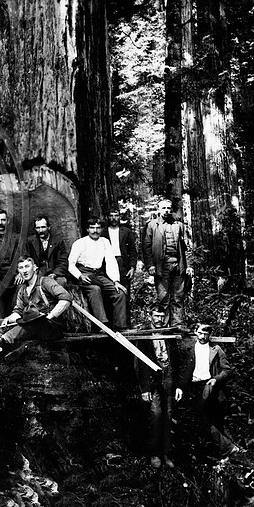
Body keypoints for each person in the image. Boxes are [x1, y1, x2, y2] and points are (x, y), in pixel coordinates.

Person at [0, 256, 72, 348]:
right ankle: (20, 333)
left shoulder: (45, 281)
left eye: (27, 266)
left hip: (51, 327)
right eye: (21, 268)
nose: (24, 271)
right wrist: (8, 319)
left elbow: (66, 298)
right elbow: (18, 311)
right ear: (18, 271)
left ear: (35, 268)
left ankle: (2, 339)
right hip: (32, 326)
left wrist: (50, 316)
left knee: (36, 321)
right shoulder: (22, 290)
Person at [178, 322, 236, 456]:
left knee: (200, 416)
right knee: (201, 419)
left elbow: (227, 370)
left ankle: (228, 447)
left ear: (210, 335)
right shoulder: (189, 349)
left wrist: (216, 379)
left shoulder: (216, 349)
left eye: (206, 334)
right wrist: (180, 387)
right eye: (200, 333)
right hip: (192, 387)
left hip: (208, 385)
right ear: (195, 332)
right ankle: (213, 451)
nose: (203, 336)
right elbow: (183, 370)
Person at [134, 305, 182, 468]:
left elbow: (177, 361)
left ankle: (167, 454)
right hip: (153, 378)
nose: (159, 319)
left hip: (168, 376)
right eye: (156, 316)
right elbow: (140, 363)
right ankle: (154, 454)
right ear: (150, 316)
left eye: (162, 316)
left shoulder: (169, 333)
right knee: (156, 414)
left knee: (169, 415)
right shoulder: (144, 334)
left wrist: (178, 386)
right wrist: (145, 388)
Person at [68, 216, 128, 329]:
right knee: (95, 289)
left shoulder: (105, 242)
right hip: (84, 273)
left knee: (120, 293)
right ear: (87, 229)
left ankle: (121, 326)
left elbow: (111, 261)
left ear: (101, 229)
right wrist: (80, 276)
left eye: (98, 228)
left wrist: (115, 281)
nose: (95, 231)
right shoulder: (80, 243)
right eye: (92, 228)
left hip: (98, 274)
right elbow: (70, 264)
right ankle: (102, 325)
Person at [143, 199, 194, 327]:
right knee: (163, 297)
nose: (166, 210)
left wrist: (189, 266)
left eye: (168, 208)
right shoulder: (152, 225)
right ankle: (163, 325)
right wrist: (150, 265)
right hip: (161, 266)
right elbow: (146, 247)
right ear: (158, 210)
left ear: (171, 210)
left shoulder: (179, 225)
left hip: (178, 265)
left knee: (178, 296)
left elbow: (187, 247)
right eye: (163, 208)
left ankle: (178, 325)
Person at [21, 216, 69, 287]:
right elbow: (26, 258)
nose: (40, 231)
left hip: (54, 273)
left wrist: (55, 273)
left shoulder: (58, 241)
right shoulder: (30, 241)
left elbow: (63, 261)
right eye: (38, 228)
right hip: (37, 273)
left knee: (61, 283)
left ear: (49, 227)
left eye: (43, 227)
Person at [105, 208, 138, 297]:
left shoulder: (126, 231)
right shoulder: (103, 232)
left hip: (123, 263)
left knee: (124, 290)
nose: (114, 218)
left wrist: (132, 267)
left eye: (116, 216)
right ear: (107, 217)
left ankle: (126, 310)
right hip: (107, 263)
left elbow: (132, 251)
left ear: (119, 217)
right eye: (111, 216)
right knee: (109, 292)